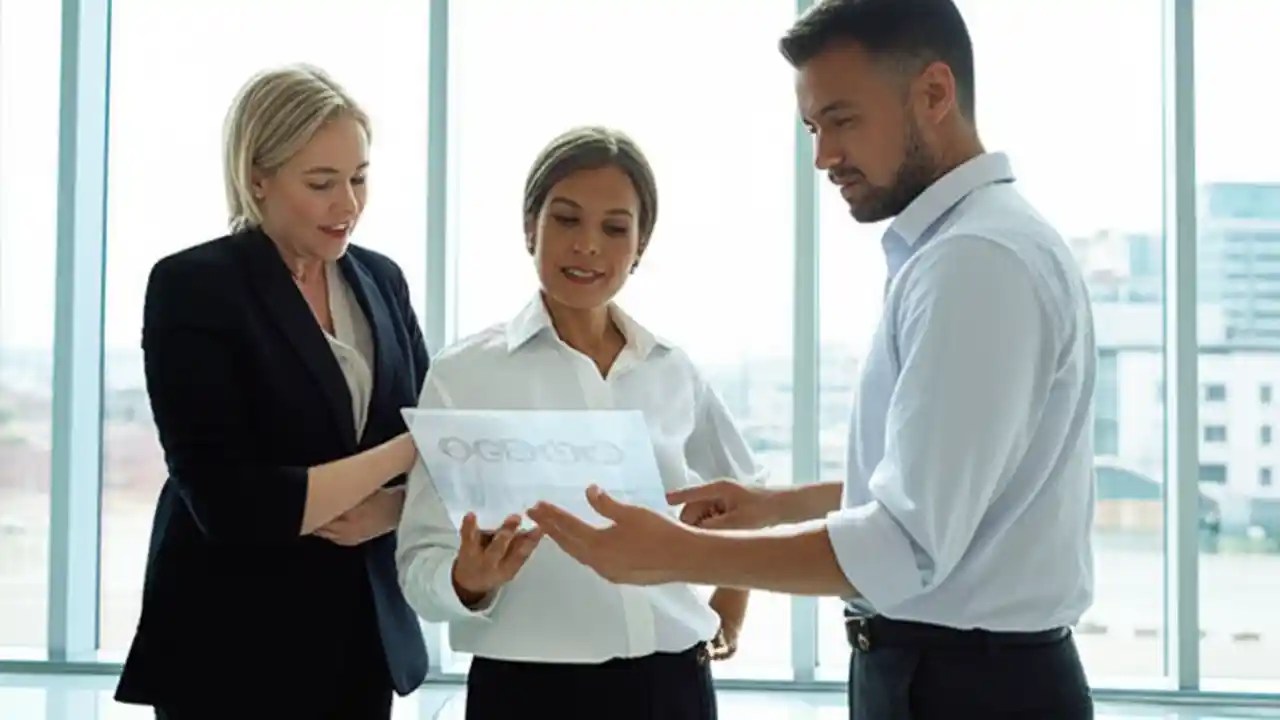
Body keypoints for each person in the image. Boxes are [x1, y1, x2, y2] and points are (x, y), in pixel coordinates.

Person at [525, 2, 1098, 718]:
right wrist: (774, 507)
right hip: (950, 673)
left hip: (965, 686)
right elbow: (946, 490)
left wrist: (677, 554)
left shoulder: (975, 263)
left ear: (934, 94)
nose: (824, 155)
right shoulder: (968, 250)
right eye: (813, 128)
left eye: (843, 119)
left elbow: (906, 545)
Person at [395, 126, 764, 720]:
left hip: (673, 686)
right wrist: (467, 579)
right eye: (566, 220)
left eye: (615, 228)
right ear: (529, 228)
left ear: (640, 246)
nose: (588, 245)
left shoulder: (671, 370)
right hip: (527, 695)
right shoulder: (463, 376)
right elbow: (418, 564)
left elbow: (747, 500)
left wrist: (732, 599)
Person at [114, 65, 430, 719]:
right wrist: (403, 454)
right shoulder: (194, 287)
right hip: (230, 646)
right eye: (321, 183)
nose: (348, 205)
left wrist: (390, 511)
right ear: (257, 177)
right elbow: (229, 503)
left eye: (359, 178)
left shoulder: (381, 280)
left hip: (359, 641)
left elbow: (438, 451)